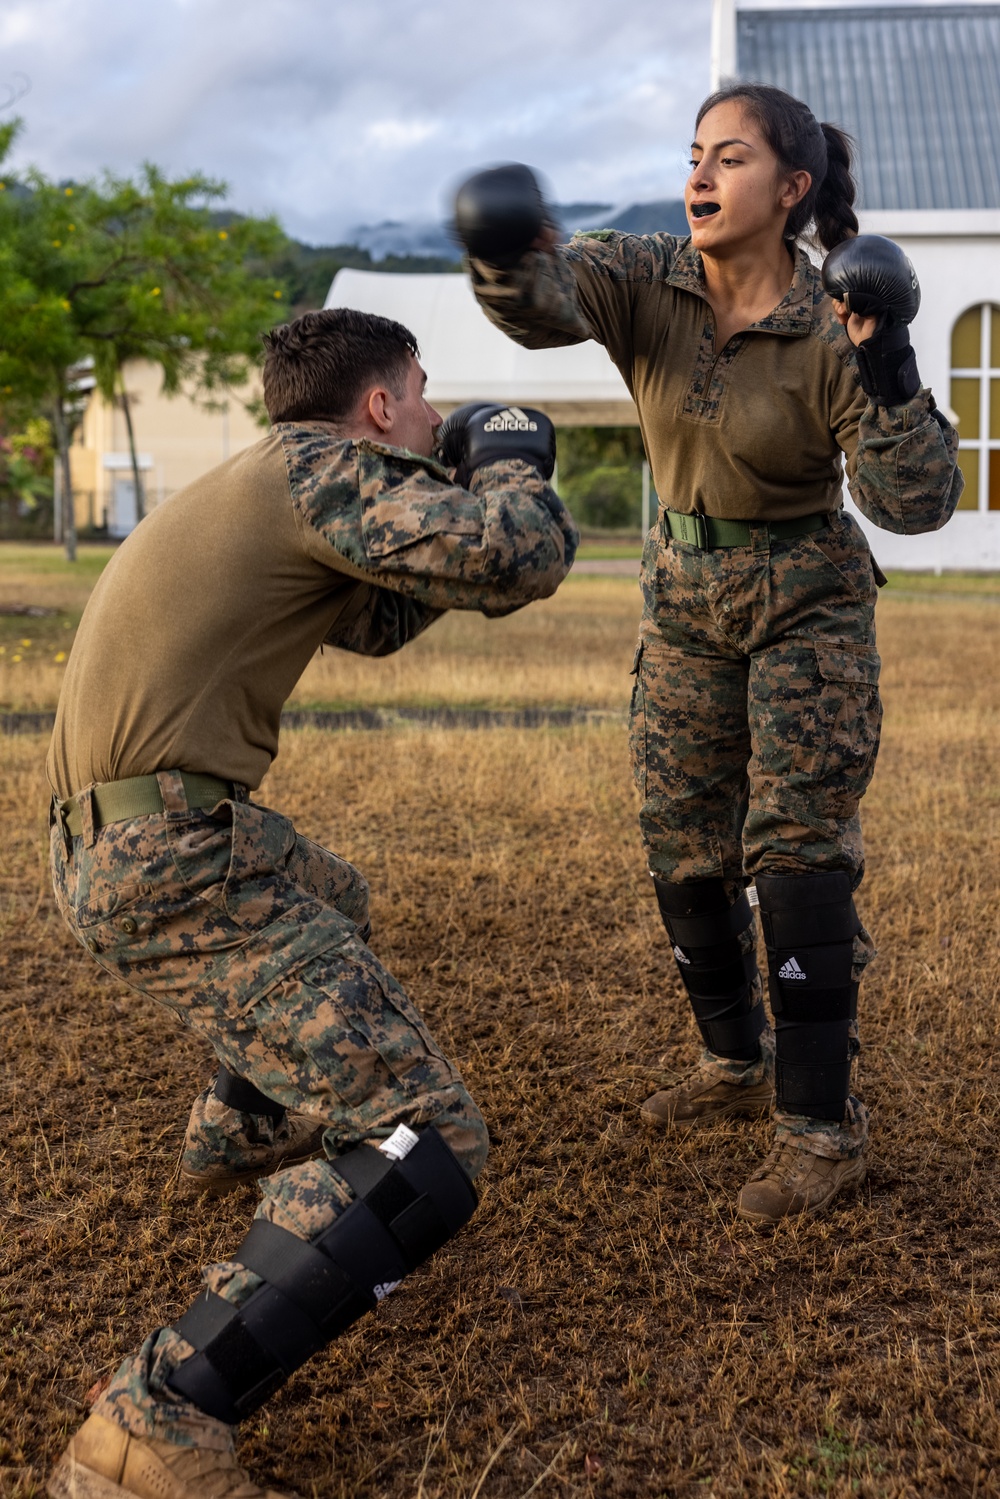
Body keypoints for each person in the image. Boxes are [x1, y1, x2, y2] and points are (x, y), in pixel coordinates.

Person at [45, 307, 577, 1499]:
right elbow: (519, 556)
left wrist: (447, 487)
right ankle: (153, 1416)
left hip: (132, 832)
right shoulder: (317, 467)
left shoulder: (266, 479)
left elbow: (382, 616)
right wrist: (503, 463)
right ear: (379, 405)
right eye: (425, 397)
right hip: (167, 856)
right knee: (426, 1141)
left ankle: (236, 1124)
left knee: (333, 894)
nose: (434, 417)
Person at [453, 83, 961, 1226]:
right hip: (683, 591)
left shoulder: (838, 315)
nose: (699, 174)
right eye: (693, 154)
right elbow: (541, 307)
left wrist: (890, 366)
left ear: (790, 190)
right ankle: (732, 1063)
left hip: (806, 598)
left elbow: (913, 503)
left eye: (729, 158)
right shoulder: (644, 273)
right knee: (682, 845)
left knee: (794, 848)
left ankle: (820, 1132)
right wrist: (500, 253)